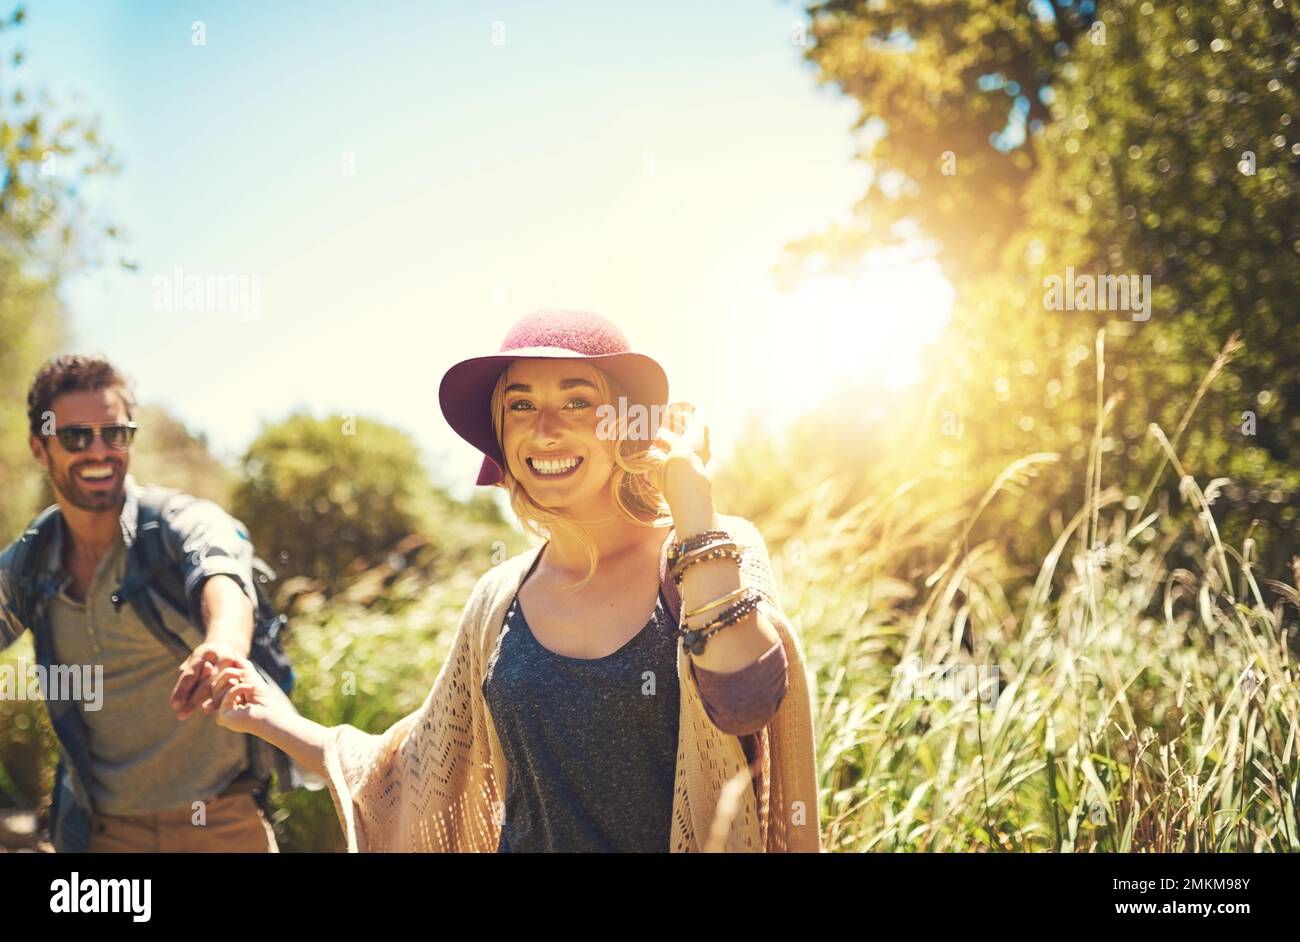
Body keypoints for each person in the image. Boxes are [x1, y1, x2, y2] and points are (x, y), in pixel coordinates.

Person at [207, 308, 821, 851]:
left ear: (625, 427)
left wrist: (691, 502)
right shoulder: (498, 599)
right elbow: (413, 769)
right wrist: (270, 717)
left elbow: (746, 701)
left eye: (578, 401)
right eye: (521, 404)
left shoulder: (713, 547)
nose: (545, 426)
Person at [0, 354, 291, 852]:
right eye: (75, 437)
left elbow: (222, 570)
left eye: (114, 434)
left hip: (220, 823)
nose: (99, 451)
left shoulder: (175, 523)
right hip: (100, 834)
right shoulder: (29, 564)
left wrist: (223, 643)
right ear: (39, 448)